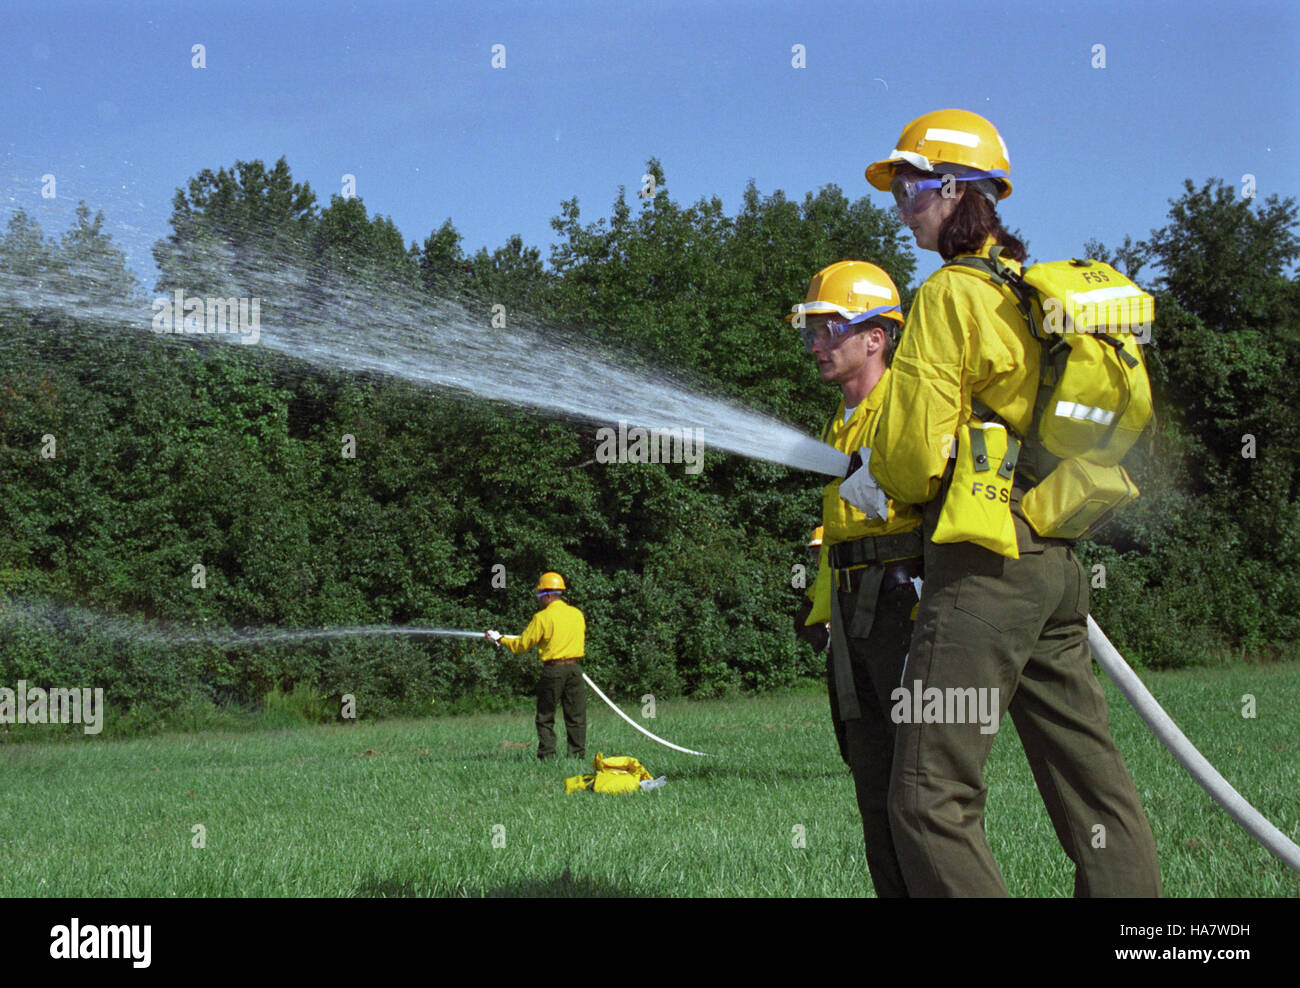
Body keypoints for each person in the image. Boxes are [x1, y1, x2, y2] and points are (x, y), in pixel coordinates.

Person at [846, 108, 1161, 896]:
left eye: (909, 185)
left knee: (926, 796)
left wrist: (876, 468)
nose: (899, 203)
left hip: (984, 567)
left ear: (954, 190)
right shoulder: (1025, 292)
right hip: (1055, 558)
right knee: (1094, 790)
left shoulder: (950, 293)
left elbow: (916, 461)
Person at [788, 261, 923, 898]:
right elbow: (840, 537)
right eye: (811, 331)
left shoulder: (909, 404)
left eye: (831, 329)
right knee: (870, 779)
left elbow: (906, 506)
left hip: (903, 611)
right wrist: (821, 612)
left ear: (877, 337)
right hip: (851, 618)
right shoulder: (836, 424)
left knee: (915, 787)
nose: (816, 344)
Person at [486, 571, 587, 760]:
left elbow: (521, 645)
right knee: (576, 716)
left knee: (545, 716)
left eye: (540, 595)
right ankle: (576, 756)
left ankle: (547, 756)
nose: (538, 600)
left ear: (548, 595)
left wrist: (501, 639)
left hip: (554, 670)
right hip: (575, 670)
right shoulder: (577, 614)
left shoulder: (542, 618)